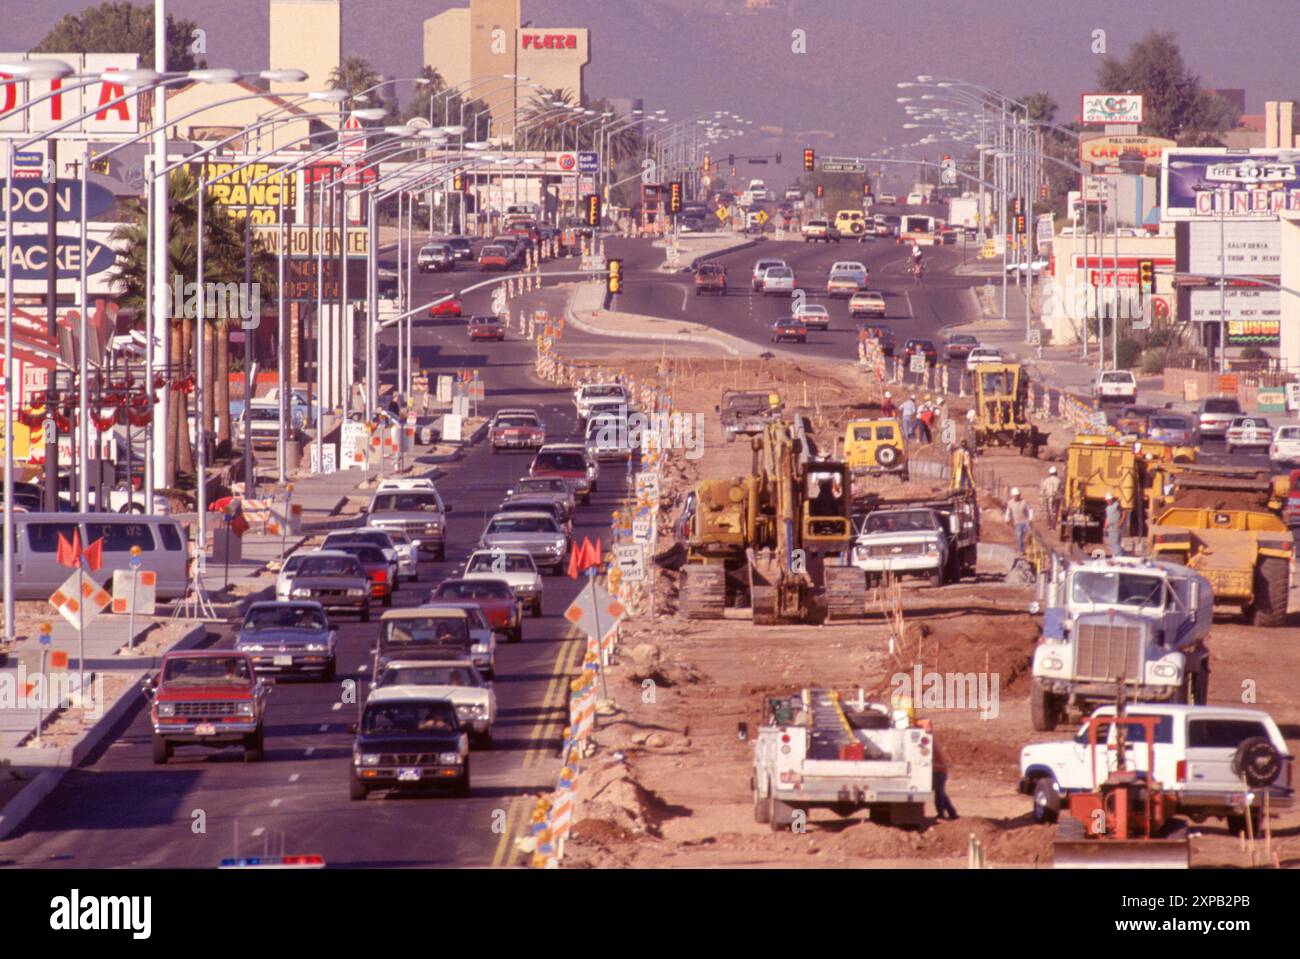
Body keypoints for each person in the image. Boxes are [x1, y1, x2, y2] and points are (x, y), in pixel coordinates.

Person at [932, 738, 958, 820]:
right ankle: (952, 813)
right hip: (940, 770)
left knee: (939, 793)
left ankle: (942, 814)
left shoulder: (930, 743)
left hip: (938, 771)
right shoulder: (933, 743)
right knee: (941, 793)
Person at [1005, 487, 1033, 555]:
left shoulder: (1024, 502)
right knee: (1019, 536)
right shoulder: (1010, 503)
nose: (1016, 496)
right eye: (1015, 495)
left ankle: (1031, 544)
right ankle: (1021, 550)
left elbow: (1030, 510)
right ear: (1013, 496)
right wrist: (1007, 519)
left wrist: (1030, 519)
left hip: (1026, 521)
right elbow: (1008, 511)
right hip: (1017, 523)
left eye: (1018, 495)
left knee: (1030, 533)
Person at [1104, 492, 1124, 557]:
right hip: (1110, 527)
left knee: (1115, 542)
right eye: (1107, 500)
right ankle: (1115, 556)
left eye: (1110, 500)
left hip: (1116, 527)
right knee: (1111, 543)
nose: (1108, 501)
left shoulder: (1116, 505)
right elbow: (1108, 517)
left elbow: (1124, 512)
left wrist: (1121, 522)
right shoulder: (1108, 507)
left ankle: (1120, 556)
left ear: (1112, 499)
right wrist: (1105, 526)